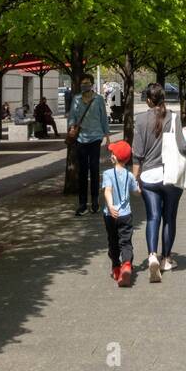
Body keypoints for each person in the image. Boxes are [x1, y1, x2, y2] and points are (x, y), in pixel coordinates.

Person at [132, 82, 186, 281]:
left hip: (149, 176)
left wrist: (135, 178)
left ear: (148, 100)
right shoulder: (173, 117)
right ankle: (166, 258)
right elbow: (183, 146)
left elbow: (137, 154)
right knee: (169, 217)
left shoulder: (139, 120)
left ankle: (151, 256)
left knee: (153, 217)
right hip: (171, 175)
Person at [68, 75, 110, 216]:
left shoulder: (98, 99)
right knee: (83, 172)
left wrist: (107, 136)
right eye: (82, 83)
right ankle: (82, 204)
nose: (84, 85)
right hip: (81, 139)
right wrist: (71, 128)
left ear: (91, 84)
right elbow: (72, 117)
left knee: (94, 169)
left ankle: (95, 202)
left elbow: (103, 117)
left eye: (87, 83)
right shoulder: (76, 99)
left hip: (96, 138)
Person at [101, 140, 139, 286]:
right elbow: (136, 192)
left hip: (110, 215)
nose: (111, 154)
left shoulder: (107, 173)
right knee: (126, 242)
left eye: (112, 152)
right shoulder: (129, 175)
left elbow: (108, 190)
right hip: (125, 215)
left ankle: (116, 268)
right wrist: (140, 188)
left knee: (113, 241)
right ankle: (127, 265)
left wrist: (110, 206)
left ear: (115, 157)